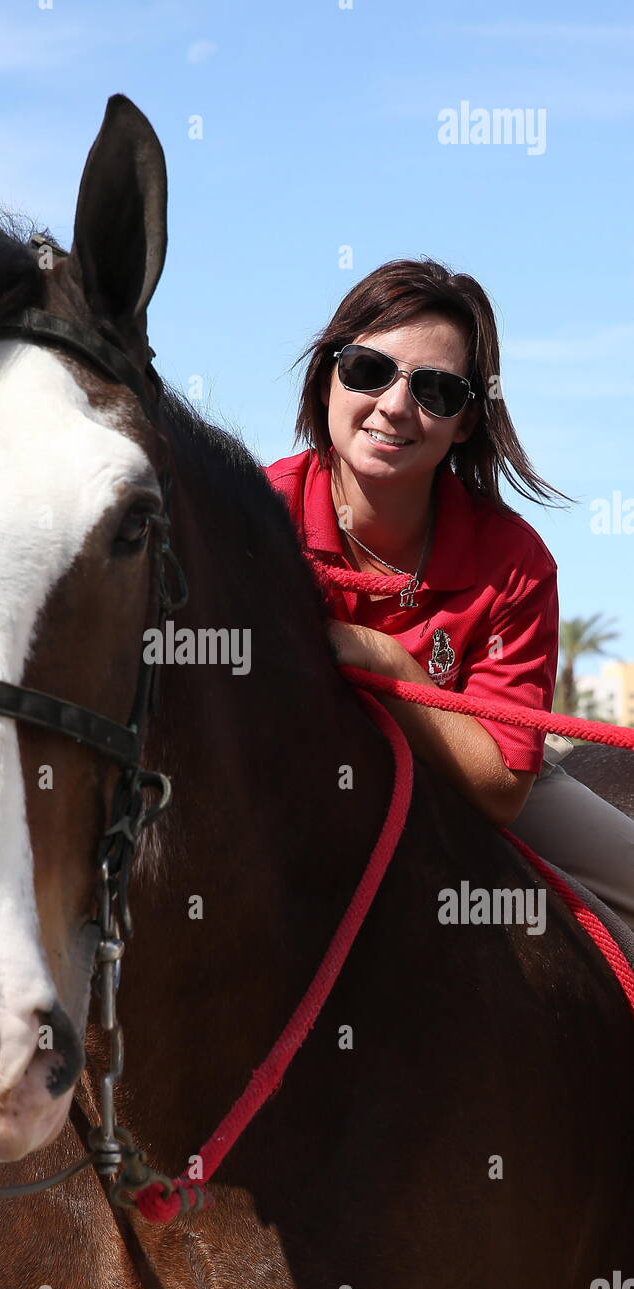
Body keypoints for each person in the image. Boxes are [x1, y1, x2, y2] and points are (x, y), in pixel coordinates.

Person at [267, 258, 634, 937]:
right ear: (326, 380)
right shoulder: (253, 517)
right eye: (367, 370)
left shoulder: (514, 561)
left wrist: (379, 658)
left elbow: (499, 787)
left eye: (435, 390)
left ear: (465, 422)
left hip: (470, 784)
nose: (395, 406)